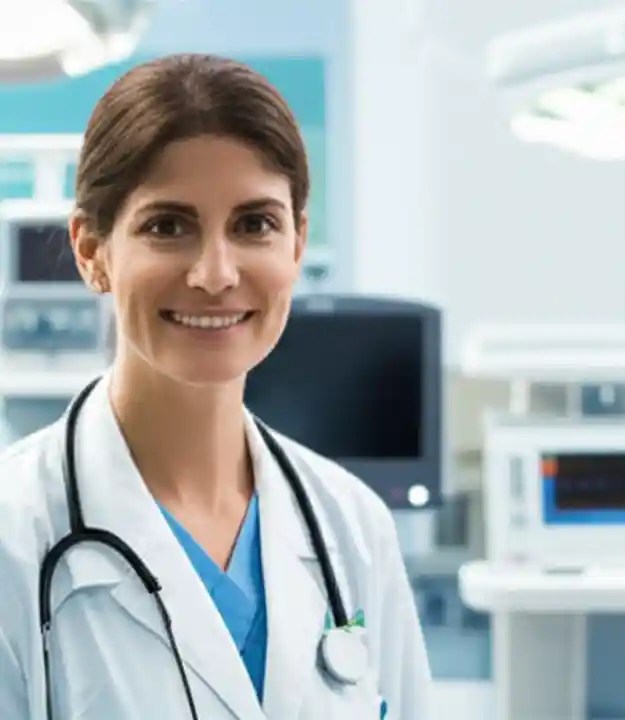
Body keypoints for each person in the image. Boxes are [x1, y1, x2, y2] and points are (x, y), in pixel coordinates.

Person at [0, 54, 432, 718]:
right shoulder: (16, 535)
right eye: (167, 226)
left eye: (254, 224)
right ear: (92, 251)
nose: (215, 273)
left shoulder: (352, 527)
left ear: (297, 244)